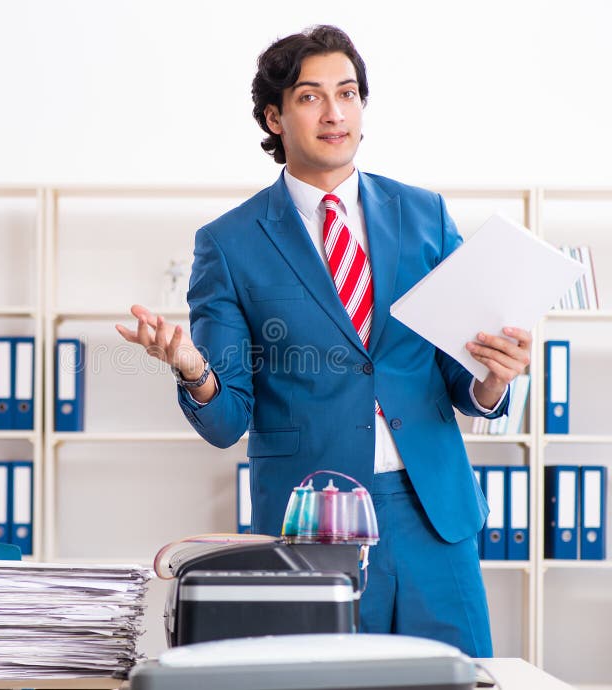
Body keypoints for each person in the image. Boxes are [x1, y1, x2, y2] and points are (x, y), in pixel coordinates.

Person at [116, 24, 531, 657]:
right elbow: (227, 420)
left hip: (433, 515)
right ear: (274, 116)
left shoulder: (425, 215)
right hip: (309, 522)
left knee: (458, 676)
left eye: (349, 92)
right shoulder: (229, 243)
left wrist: (493, 377)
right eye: (310, 96)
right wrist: (195, 369)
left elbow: (458, 374)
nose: (335, 113)